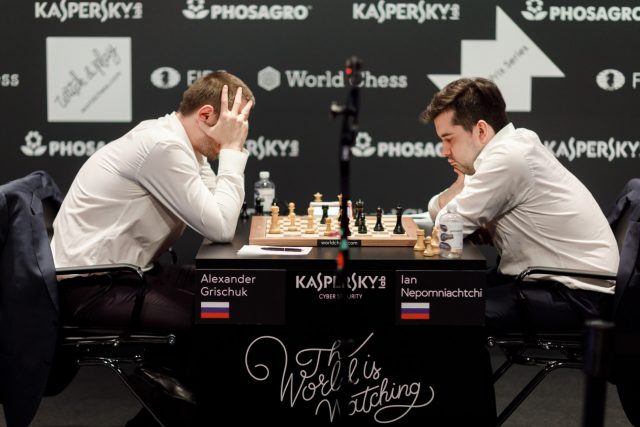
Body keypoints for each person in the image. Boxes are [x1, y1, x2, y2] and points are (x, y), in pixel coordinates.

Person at [50, 71, 255, 425]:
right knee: (218, 315)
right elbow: (220, 227)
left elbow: (221, 214)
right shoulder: (162, 146)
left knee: (236, 298)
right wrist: (234, 151)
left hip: (131, 275)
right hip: (89, 289)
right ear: (206, 116)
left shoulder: (181, 144)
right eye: (235, 124)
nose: (239, 133)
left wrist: (226, 150)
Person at [421, 77, 619, 335]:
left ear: (481, 131)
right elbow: (441, 214)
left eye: (449, 139)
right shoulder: (514, 144)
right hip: (550, 283)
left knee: (437, 308)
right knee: (433, 297)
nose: (444, 150)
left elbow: (448, 225)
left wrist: (460, 192)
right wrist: (461, 189)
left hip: (576, 296)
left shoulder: (508, 158)